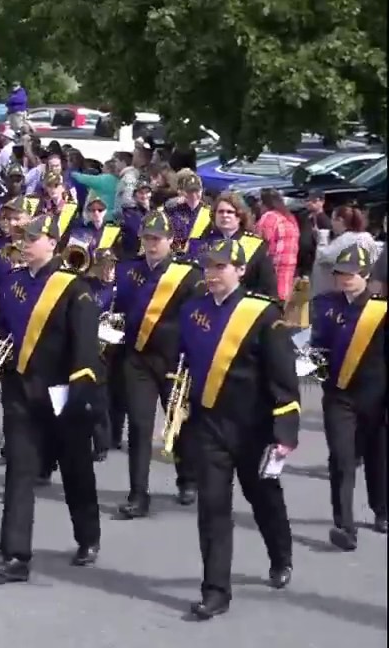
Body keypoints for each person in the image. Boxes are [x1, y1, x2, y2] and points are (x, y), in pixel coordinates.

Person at [177, 238, 299, 620]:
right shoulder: (192, 309)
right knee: (212, 508)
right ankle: (215, 591)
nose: (212, 274)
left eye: (221, 267)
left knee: (263, 498)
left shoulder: (263, 314)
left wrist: (285, 431)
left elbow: (283, 379)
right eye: (208, 266)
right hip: (208, 425)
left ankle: (280, 555)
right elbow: (183, 360)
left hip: (253, 428)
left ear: (241, 270)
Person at [0, 212, 103, 583]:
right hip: (21, 390)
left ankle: (88, 536)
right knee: (19, 472)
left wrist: (79, 394)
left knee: (75, 469)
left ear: (52, 242)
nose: (25, 244)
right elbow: (5, 329)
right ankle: (15, 555)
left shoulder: (74, 288)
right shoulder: (12, 281)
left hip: (61, 392)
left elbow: (85, 349)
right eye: (23, 238)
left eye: (33, 238)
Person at [114, 211, 205, 516]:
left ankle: (187, 477)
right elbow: (121, 309)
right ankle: (138, 495)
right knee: (139, 426)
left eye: (157, 239)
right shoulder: (130, 270)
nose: (152, 245)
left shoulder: (188, 276)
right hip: (137, 359)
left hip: (173, 361)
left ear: (170, 241)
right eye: (147, 238)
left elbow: (198, 320)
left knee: (178, 423)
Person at [308, 245, 387, 550]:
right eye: (340, 273)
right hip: (339, 396)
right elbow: (316, 347)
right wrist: (314, 367)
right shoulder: (325, 305)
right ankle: (344, 526)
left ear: (366, 275)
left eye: (351, 273)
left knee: (378, 458)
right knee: (341, 459)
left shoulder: (381, 310)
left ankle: (382, 510)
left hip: (376, 397)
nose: (345, 279)